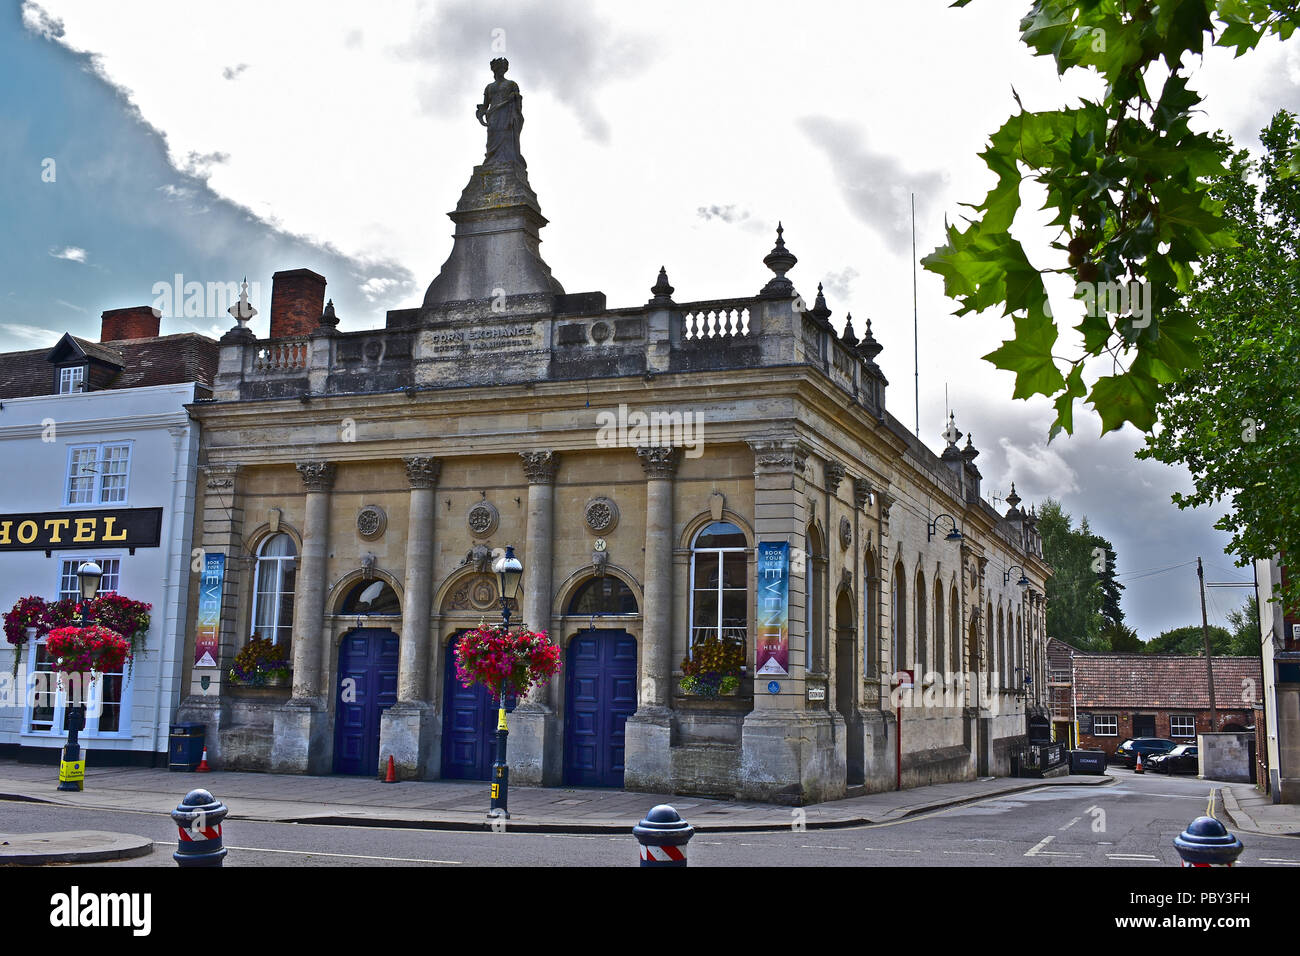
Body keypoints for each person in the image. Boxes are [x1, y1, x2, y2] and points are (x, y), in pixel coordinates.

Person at [476, 58, 525, 169]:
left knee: (506, 136)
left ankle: (507, 160)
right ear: (494, 70)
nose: (500, 71)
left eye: (503, 68)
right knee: (492, 137)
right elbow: (485, 105)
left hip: (507, 115)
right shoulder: (489, 87)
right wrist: (480, 113)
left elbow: (518, 101)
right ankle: (491, 160)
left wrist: (515, 97)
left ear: (505, 69)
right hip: (493, 116)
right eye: (498, 68)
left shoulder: (511, 84)